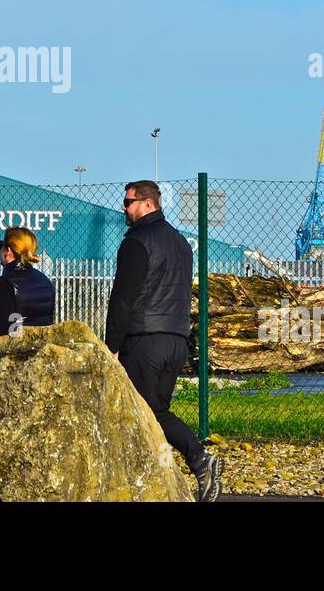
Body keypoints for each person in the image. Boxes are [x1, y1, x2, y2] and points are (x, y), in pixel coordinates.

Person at [106, 180, 224, 501]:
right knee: (155, 411)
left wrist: (112, 347)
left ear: (147, 203)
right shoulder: (180, 243)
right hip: (175, 339)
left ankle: (199, 458)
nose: (124, 208)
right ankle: (159, 475)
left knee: (147, 412)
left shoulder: (137, 241)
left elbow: (122, 299)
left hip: (144, 339)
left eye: (129, 202)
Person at [0, 226, 55, 345]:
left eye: (1, 245)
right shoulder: (45, 282)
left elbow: (4, 331)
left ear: (8, 251)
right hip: (41, 348)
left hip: (15, 353)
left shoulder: (4, 284)